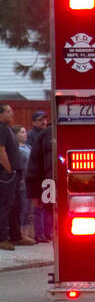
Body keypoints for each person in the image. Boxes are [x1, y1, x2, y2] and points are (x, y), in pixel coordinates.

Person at [0, 104, 35, 250]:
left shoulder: (8, 128)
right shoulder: (1, 128)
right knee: (5, 206)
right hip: (6, 174)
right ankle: (2, 238)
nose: (12, 114)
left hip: (15, 173)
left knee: (15, 205)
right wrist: (9, 170)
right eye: (8, 111)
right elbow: (1, 151)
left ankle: (16, 236)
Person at [26, 111, 52, 242]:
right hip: (39, 177)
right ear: (34, 122)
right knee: (38, 207)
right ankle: (39, 233)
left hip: (47, 176)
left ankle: (48, 232)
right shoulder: (33, 136)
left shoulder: (47, 134)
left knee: (48, 205)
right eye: (40, 119)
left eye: (45, 119)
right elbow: (34, 158)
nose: (44, 122)